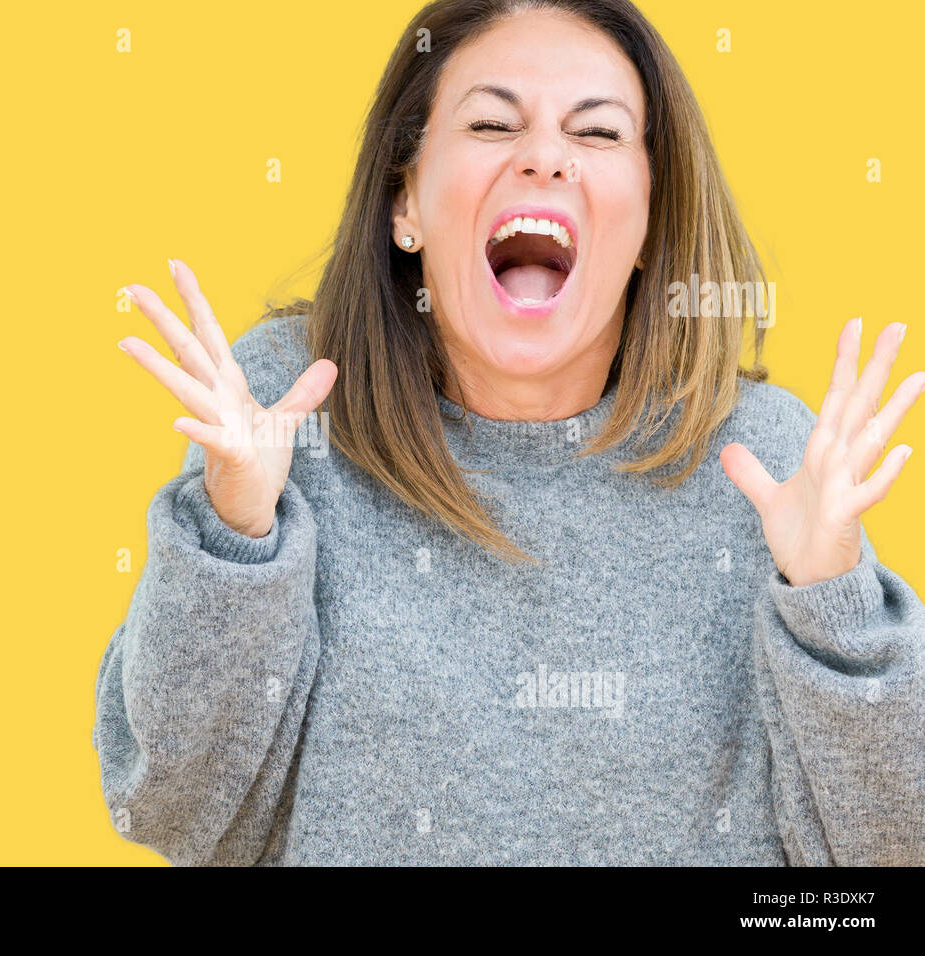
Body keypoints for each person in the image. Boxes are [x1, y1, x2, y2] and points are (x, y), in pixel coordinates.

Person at [94, 0, 925, 865]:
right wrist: (232, 536)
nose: (544, 156)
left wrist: (834, 604)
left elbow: (886, 855)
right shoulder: (290, 413)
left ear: (646, 221)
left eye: (597, 133)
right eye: (492, 122)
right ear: (403, 201)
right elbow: (170, 808)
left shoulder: (760, 460)